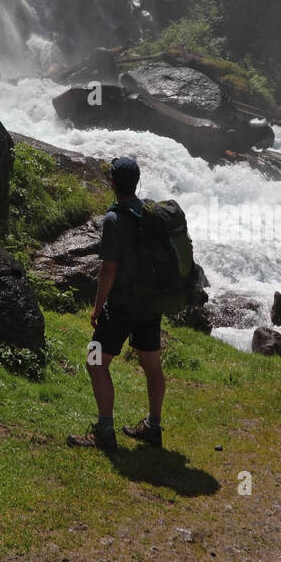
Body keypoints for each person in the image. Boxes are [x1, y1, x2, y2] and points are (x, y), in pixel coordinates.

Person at [67, 156, 164, 452]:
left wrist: (98, 307)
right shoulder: (148, 211)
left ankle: (105, 431)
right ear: (136, 182)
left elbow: (108, 269)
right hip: (150, 303)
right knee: (151, 365)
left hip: (122, 305)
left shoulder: (113, 219)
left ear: (111, 183)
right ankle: (153, 427)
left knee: (95, 362)